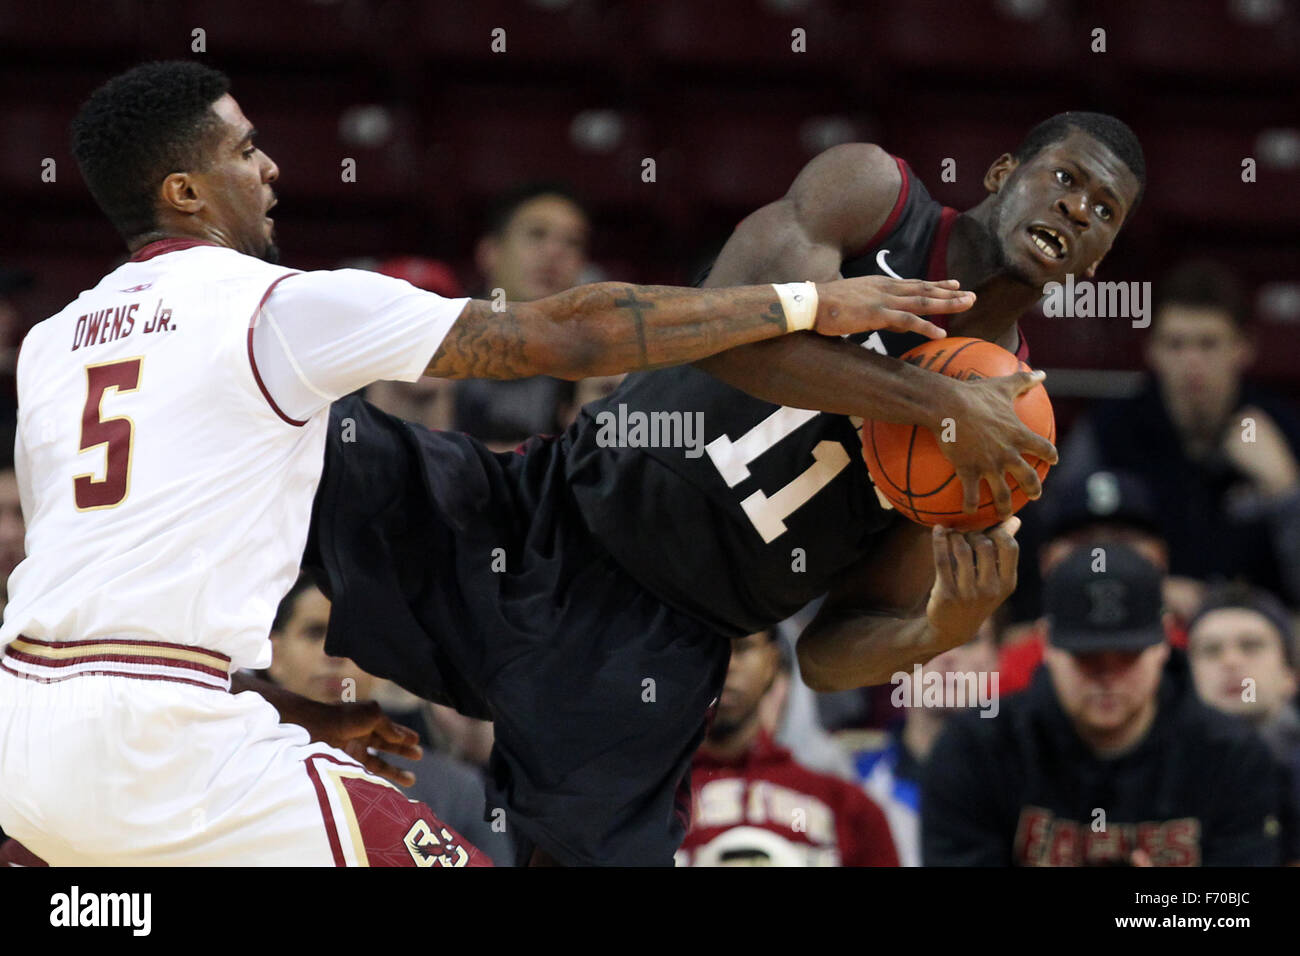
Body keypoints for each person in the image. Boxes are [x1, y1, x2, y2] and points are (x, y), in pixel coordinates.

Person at [0, 60, 964, 867]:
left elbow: (91, 588)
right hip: (165, 745)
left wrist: (279, 705)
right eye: (245, 150)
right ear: (183, 191)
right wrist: (803, 306)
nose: (271, 168)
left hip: (30, 739)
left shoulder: (50, 344)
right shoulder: (269, 307)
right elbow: (569, 335)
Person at [306, 111, 1144, 864]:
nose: (1077, 210)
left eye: (1104, 210)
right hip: (542, 509)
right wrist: (934, 399)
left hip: (657, 660)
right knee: (302, 445)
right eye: (1066, 179)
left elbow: (824, 656)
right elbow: (716, 337)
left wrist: (937, 627)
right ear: (1003, 174)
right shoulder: (876, 199)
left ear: (1104, 257)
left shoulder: (1012, 423)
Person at [922, 544, 1285, 866]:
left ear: (1162, 642)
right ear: (1047, 643)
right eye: (1087, 657)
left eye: (1127, 655)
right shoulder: (977, 748)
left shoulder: (1231, 755)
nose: (1107, 676)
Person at [1057, 260, 1300, 603]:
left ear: (1244, 348)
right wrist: (1149, 587)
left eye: (1208, 343)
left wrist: (1285, 489)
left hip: (1254, 632)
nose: (1192, 362)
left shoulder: (1283, 428)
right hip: (1138, 618)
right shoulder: (1110, 429)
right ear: (1152, 350)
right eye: (1176, 344)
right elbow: (1062, 551)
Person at [265, 573, 515, 865]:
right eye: (314, 632)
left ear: (379, 660)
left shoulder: (458, 789)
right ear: (274, 653)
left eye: (350, 637)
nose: (333, 653)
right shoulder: (234, 766)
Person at [675, 629, 898, 867]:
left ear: (772, 661)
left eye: (743, 648)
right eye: (708, 648)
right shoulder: (646, 800)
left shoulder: (848, 805)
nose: (727, 665)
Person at [454, 183, 591, 447]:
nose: (554, 252)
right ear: (489, 252)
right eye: (537, 234)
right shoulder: (442, 335)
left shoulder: (594, 360)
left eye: (572, 242)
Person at [855, 619, 1000, 866]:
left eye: (969, 640)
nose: (948, 656)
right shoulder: (852, 782)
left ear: (997, 658)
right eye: (928, 637)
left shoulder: (1025, 785)